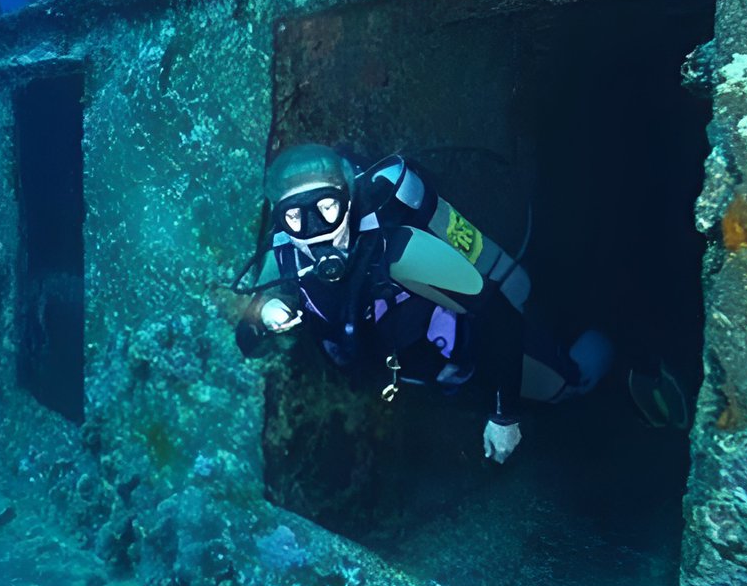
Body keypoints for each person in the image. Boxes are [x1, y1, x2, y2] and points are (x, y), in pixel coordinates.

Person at [231, 143, 619, 463]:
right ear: (282, 223)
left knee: (567, 386)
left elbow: (498, 314)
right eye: (296, 218)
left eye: (327, 209)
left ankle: (620, 341)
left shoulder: (398, 250)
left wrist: (503, 416)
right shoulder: (284, 256)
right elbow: (246, 337)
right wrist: (263, 312)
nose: (314, 231)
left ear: (348, 203)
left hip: (472, 349)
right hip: (420, 369)